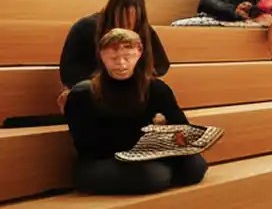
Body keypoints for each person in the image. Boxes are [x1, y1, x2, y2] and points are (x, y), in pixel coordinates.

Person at [64, 28, 207, 195]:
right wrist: (142, 143)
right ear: (101, 56)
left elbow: (181, 125)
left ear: (139, 53)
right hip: (102, 160)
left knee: (195, 165)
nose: (121, 64)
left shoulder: (156, 88)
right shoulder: (83, 93)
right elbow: (86, 144)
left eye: (128, 57)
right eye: (113, 58)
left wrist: (179, 137)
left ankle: (162, 173)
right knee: (154, 175)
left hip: (146, 153)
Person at [60, 0, 171, 111]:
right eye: (121, 21)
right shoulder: (87, 27)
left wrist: (134, 76)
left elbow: (160, 65)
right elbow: (70, 71)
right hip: (97, 90)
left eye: (130, 23)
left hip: (132, 90)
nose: (126, 27)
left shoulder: (145, 30)